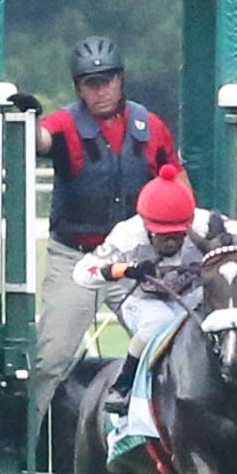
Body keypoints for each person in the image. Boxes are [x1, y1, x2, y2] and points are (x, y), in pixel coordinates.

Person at [31, 36, 184, 416]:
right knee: (51, 360)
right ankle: (30, 442)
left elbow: (179, 187)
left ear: (121, 80)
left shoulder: (150, 125)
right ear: (78, 88)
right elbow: (41, 141)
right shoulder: (65, 123)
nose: (101, 90)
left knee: (171, 346)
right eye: (91, 83)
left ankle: (165, 435)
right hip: (75, 259)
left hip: (135, 259)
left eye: (107, 80)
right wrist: (27, 120)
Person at [68, 169, 222, 444]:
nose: (172, 242)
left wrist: (221, 252)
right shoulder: (127, 235)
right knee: (158, 325)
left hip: (193, 297)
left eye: (178, 235)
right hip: (145, 300)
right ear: (147, 227)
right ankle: (123, 385)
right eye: (163, 236)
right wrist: (124, 269)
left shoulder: (206, 223)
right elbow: (83, 272)